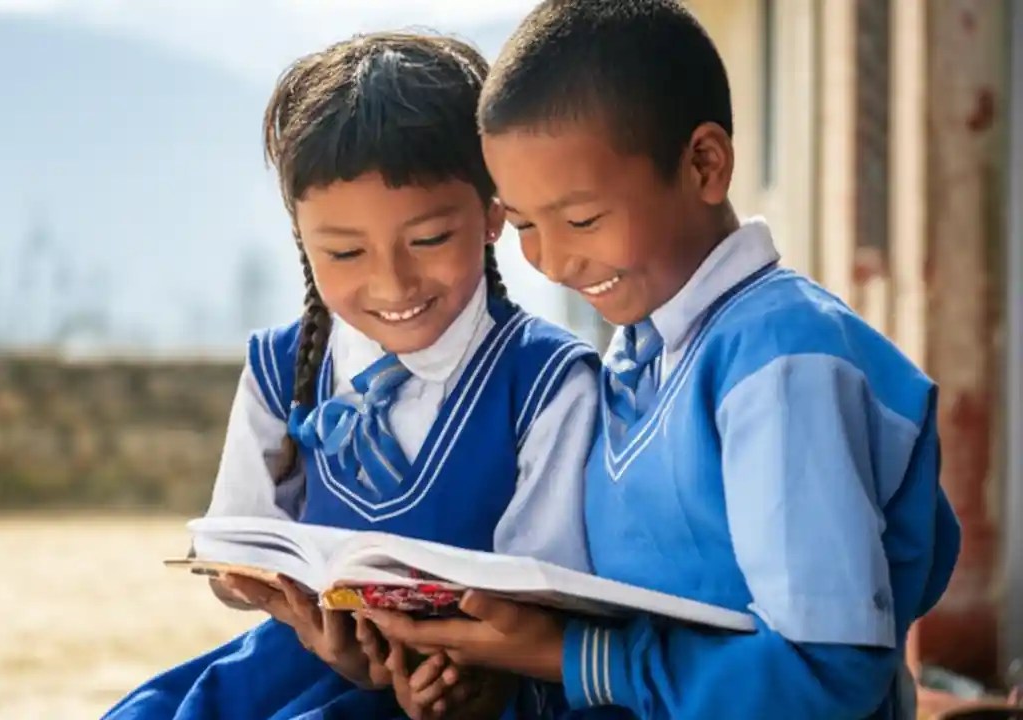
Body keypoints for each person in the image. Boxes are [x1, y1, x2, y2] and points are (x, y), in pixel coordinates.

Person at [366, 2, 962, 718]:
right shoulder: (638, 356)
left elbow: (825, 679)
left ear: (704, 164)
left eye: (582, 220)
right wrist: (495, 671)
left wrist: (564, 657)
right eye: (524, 225)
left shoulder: (781, 363)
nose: (553, 261)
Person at [103, 30, 600, 720]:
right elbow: (229, 556)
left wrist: (461, 679)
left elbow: (552, 598)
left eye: (428, 239)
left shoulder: (548, 383)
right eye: (343, 252)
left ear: (493, 211)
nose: (391, 281)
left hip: (482, 691)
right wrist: (305, 619)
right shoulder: (281, 369)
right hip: (294, 667)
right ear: (302, 241)